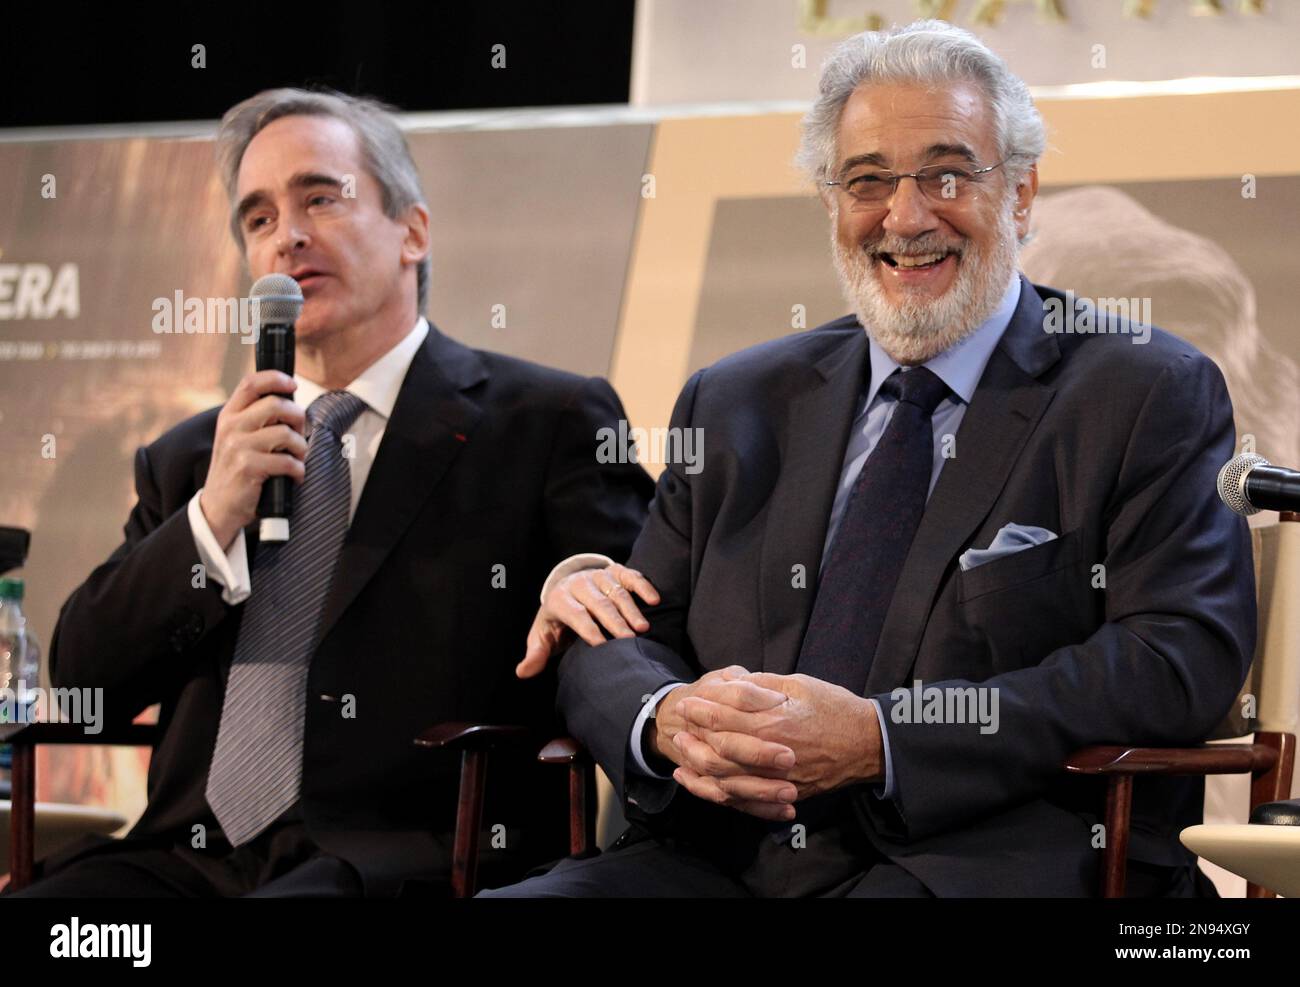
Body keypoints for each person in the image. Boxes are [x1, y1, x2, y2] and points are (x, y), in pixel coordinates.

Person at [495, 20, 1255, 897]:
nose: (905, 216)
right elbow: (623, 631)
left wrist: (885, 739)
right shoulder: (736, 400)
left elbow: (1178, 656)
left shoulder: (1146, 390)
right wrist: (666, 720)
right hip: (719, 855)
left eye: (946, 173)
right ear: (831, 203)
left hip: (982, 856)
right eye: (867, 181)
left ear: (1020, 194)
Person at [8, 88, 652, 897]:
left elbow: (634, 631)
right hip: (186, 862)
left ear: (413, 230)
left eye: (320, 196)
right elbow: (84, 682)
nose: (290, 236)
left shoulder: (546, 420)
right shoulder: (193, 457)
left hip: (403, 858)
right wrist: (211, 522)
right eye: (259, 218)